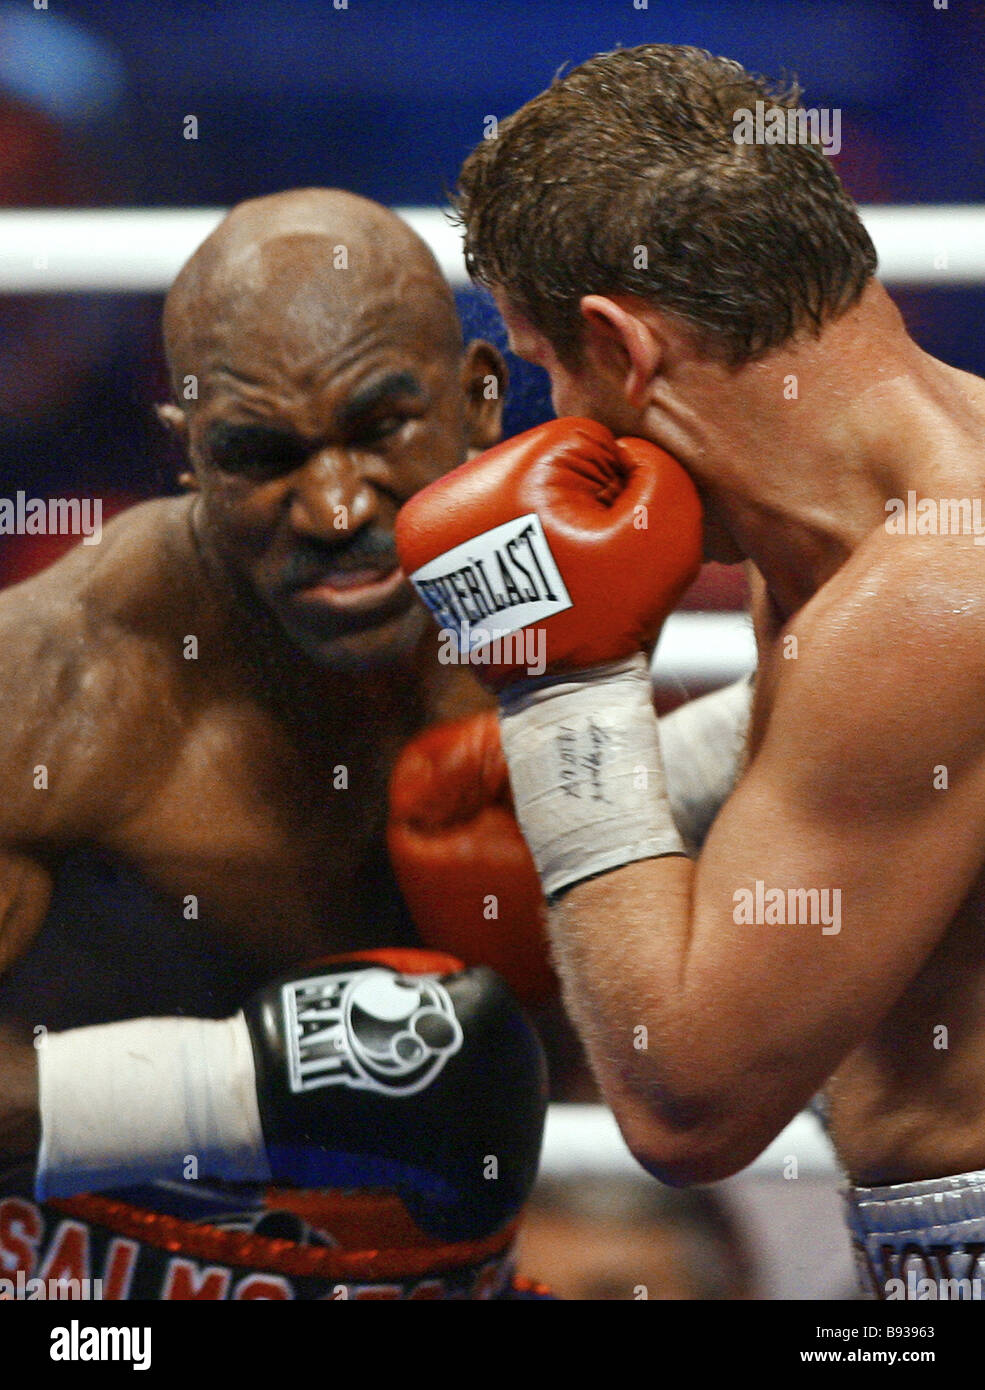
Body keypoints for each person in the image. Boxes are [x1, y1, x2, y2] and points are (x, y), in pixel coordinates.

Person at [395, 44, 985, 1300]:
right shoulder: (869, 529)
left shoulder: (930, 591)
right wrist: (654, 771)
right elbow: (889, 759)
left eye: (546, 363)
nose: (550, 413)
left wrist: (561, 685)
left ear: (619, 344)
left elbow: (683, 1102)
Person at [0, 188, 551, 1300]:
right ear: (190, 456)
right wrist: (225, 1090)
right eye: (260, 454)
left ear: (479, 400)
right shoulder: (64, 674)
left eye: (381, 427)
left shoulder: (553, 615)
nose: (338, 506)